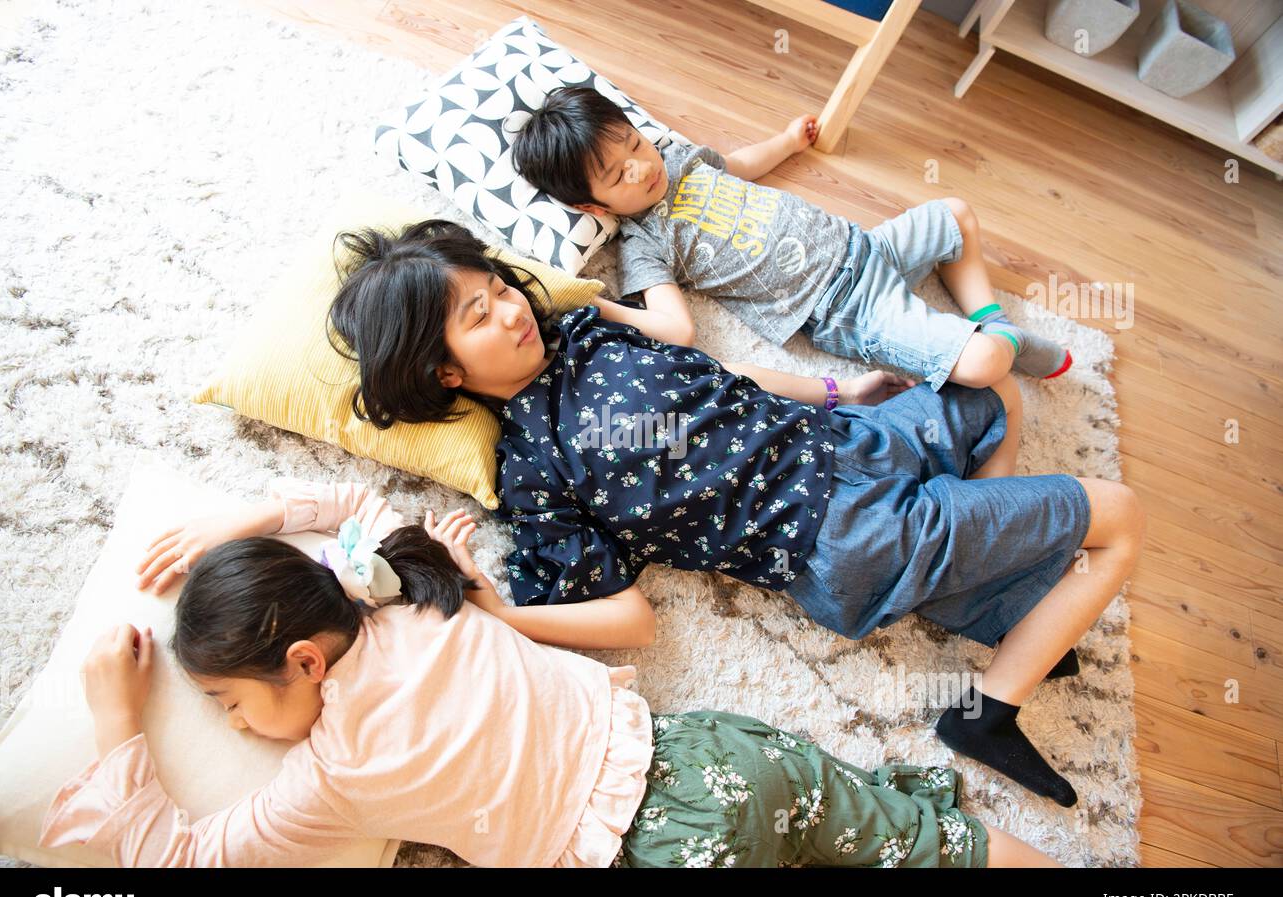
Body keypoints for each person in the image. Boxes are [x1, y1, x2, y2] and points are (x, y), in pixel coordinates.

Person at [320, 218, 1145, 808]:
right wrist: (502, 611)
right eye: (479, 317)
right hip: (842, 536)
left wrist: (840, 386)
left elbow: (719, 371)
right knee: (1120, 517)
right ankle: (986, 714)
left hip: (846, 438)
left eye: (499, 289)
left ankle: (991, 593)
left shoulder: (584, 333)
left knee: (994, 389)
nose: (509, 312)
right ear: (445, 374)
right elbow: (631, 620)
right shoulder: (534, 472)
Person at [36, 480, 1058, 867]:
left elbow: (185, 864)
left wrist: (120, 723)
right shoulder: (415, 593)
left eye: (227, 704)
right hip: (719, 753)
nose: (239, 728)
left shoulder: (335, 773)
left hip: (649, 857)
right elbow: (357, 500)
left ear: (304, 662)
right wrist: (257, 519)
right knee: (934, 846)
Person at [510, 86, 1072, 388]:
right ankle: (1001, 343)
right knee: (983, 368)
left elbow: (738, 164)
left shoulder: (680, 160)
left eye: (634, 144)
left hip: (866, 248)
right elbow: (677, 329)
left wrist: (785, 142)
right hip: (845, 310)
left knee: (955, 213)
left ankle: (993, 321)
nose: (640, 166)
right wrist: (601, 305)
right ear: (592, 205)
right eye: (616, 175)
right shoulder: (644, 246)